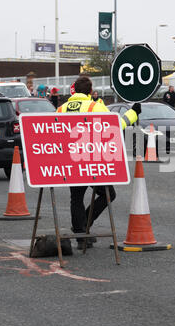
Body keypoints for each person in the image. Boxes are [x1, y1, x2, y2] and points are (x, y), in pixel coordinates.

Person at [57, 75, 141, 249]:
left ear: (74, 89)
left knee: (76, 198)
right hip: (91, 160)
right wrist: (133, 113)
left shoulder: (61, 109)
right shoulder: (94, 106)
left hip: (70, 159)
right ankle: (84, 227)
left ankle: (81, 235)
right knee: (108, 193)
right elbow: (116, 125)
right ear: (89, 91)